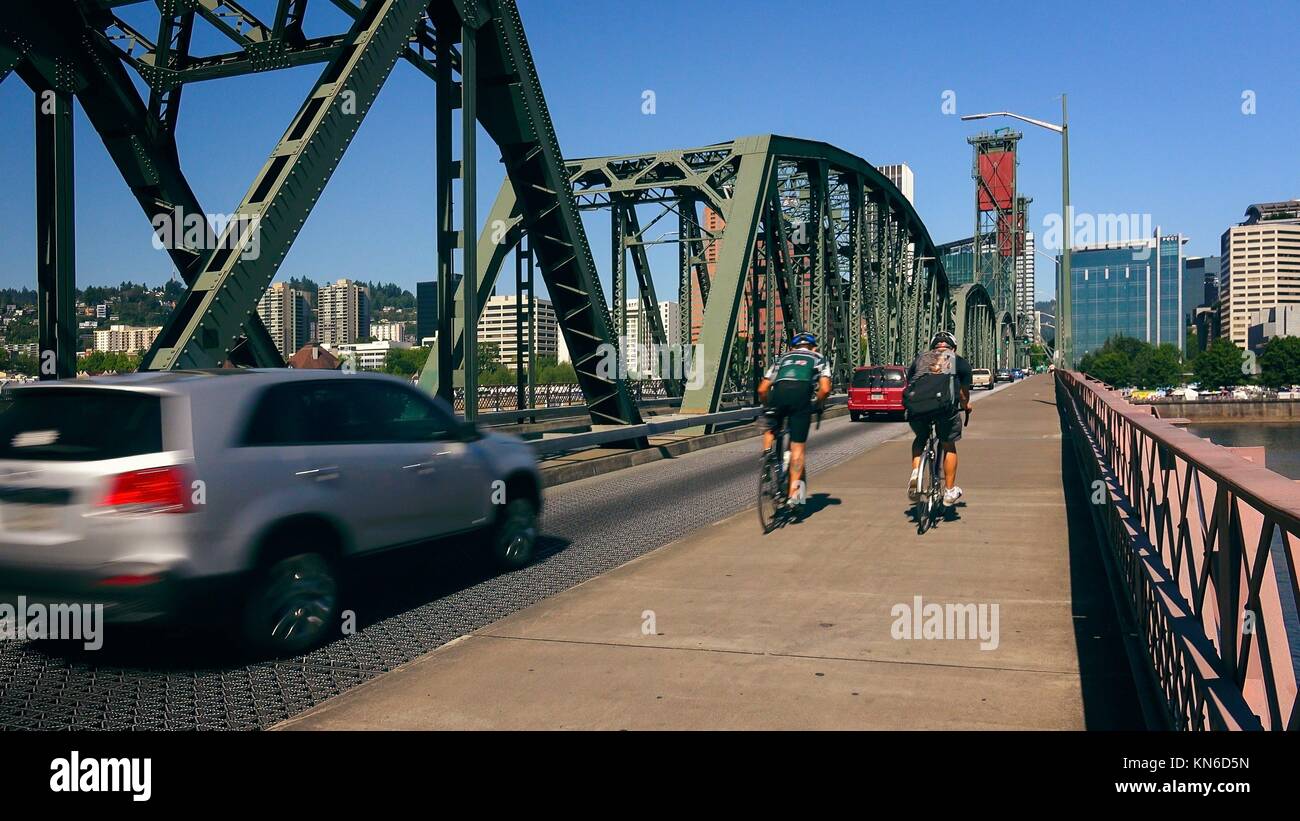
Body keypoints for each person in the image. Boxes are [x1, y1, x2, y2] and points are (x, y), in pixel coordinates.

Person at [758, 332, 833, 511]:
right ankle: (793, 495)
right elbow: (825, 388)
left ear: (792, 348)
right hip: (801, 396)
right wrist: (818, 403)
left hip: (779, 393)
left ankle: (767, 456)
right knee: (797, 448)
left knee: (770, 425)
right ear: (813, 347)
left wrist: (768, 406)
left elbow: (762, 389)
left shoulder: (782, 358)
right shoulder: (819, 358)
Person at [904, 331, 973, 507]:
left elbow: (910, 382)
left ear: (933, 347)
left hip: (917, 407)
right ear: (953, 348)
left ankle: (915, 474)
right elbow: (963, 395)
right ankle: (949, 491)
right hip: (943, 409)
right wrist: (966, 406)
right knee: (948, 443)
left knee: (920, 437)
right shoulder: (958, 361)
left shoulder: (920, 359)